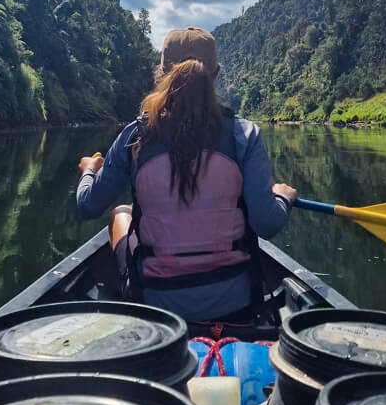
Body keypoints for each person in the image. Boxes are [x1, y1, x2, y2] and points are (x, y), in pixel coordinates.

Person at [75, 27, 297, 322]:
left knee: (120, 212)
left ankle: (128, 306)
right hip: (233, 305)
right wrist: (282, 198)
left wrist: (89, 171)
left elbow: (87, 204)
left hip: (157, 304)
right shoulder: (244, 134)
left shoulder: (136, 136)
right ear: (215, 73)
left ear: (161, 73)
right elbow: (267, 223)